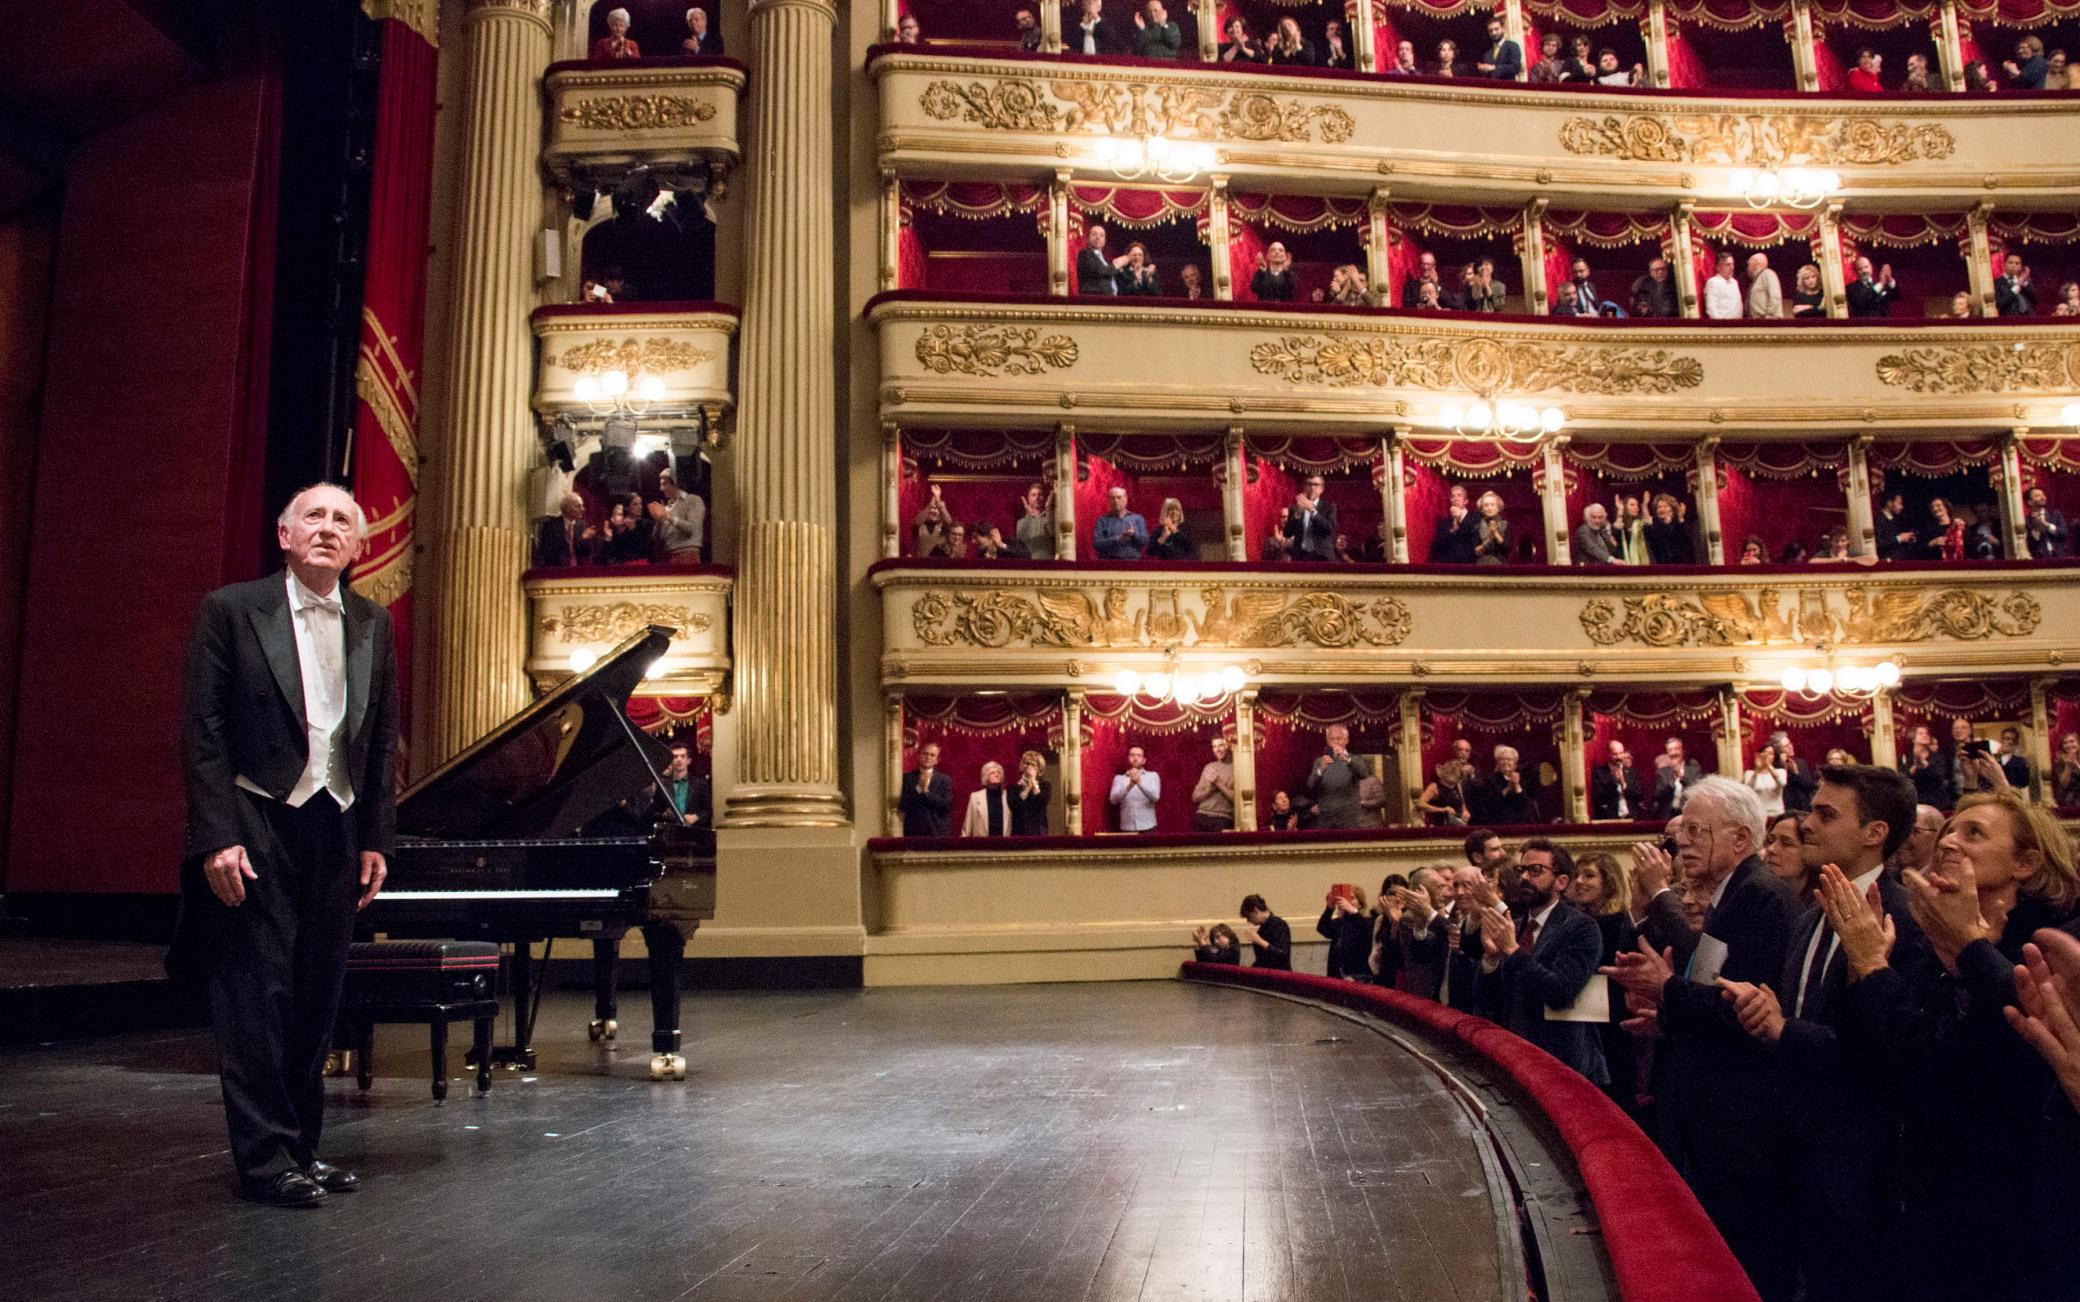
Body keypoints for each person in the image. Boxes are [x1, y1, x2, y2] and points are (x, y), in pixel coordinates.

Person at [172, 484, 398, 1207]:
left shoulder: (373, 621)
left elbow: (379, 745)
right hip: (257, 819)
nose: (328, 528)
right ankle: (266, 1161)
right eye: (315, 517)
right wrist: (217, 836)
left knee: (314, 996)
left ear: (359, 544)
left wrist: (374, 839)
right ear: (285, 533)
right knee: (256, 998)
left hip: (335, 823)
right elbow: (202, 733)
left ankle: (301, 1148)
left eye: (343, 520)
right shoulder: (232, 610)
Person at [1829, 788, 2080, 1302]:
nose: (1948, 841)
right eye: (1948, 829)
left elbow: (1963, 1075)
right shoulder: (1926, 941)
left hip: (2013, 1216)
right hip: (1925, 1203)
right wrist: (1866, 965)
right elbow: (1889, 1061)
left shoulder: (2049, 944)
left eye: (1974, 833)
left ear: (2026, 864)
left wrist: (1880, 967)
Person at [1718, 765, 1927, 1302]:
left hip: (1863, 1172)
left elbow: (1886, 1052)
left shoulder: (1902, 917)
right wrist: (1771, 1015)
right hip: (1796, 1151)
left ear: (1874, 833)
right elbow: (1803, 1016)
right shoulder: (1812, 916)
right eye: (1811, 810)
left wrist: (1786, 1029)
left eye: (1825, 814)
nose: (1807, 823)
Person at [1602, 778, 1802, 1302]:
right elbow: (1706, 989)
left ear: (1740, 839)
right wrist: (1667, 1011)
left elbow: (1734, 1003)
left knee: (1748, 1260)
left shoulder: (1757, 894)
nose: (1682, 843)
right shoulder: (1733, 893)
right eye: (1682, 830)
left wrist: (1666, 988)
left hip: (1742, 1113)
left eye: (1695, 831)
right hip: (1715, 1107)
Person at [1475, 839, 1611, 1083]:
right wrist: (1491, 959)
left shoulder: (1581, 927)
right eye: (1521, 870)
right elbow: (1485, 999)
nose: (1525, 877)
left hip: (1563, 1063)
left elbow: (1560, 992)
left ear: (1561, 881)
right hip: (1515, 1056)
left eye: (1535, 871)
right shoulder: (1514, 927)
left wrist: (1513, 950)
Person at [1569, 849, 1640, 1108]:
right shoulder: (1574, 920)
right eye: (1577, 875)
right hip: (1580, 1016)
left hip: (1611, 1018)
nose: (1579, 881)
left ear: (1608, 882)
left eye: (1589, 876)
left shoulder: (1619, 923)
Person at [1307, 725, 1372, 830]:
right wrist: (1321, 770)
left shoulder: (1355, 759)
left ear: (1346, 740)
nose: (1335, 742)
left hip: (1349, 818)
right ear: (1327, 741)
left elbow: (1364, 773)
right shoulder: (1320, 761)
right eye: (1332, 739)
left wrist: (1347, 760)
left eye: (1339, 738)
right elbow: (1310, 784)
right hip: (1326, 818)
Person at [1318, 885, 1375, 981]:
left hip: (1358, 977)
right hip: (1337, 976)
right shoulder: (1339, 923)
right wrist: (1330, 907)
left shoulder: (1367, 922)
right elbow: (1322, 928)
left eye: (1351, 898)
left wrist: (1352, 911)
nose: (1346, 902)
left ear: (1360, 904)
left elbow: (1367, 930)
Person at [899, 742, 953, 836]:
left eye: (932, 755)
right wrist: (919, 788)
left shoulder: (944, 779)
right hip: (913, 831)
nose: (928, 758)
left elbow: (947, 805)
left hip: (938, 831)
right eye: (925, 754)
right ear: (919, 756)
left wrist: (927, 793)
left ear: (937, 760)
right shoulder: (907, 778)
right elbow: (903, 805)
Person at [533, 491, 599, 568]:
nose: (583, 509)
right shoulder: (551, 525)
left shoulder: (582, 525)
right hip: (556, 570)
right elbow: (545, 552)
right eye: (578, 506)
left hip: (577, 570)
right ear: (567, 509)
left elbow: (586, 553)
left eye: (582, 506)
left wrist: (585, 539)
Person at [1282, 474, 1338, 562]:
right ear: (1304, 487)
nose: (1312, 488)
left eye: (1316, 485)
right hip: (1300, 557)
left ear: (1322, 489)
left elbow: (1329, 529)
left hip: (1323, 557)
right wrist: (1297, 514)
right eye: (1309, 484)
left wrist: (1312, 510)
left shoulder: (1329, 507)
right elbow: (1287, 533)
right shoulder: (1294, 508)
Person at [652, 469, 704, 562]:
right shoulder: (667, 507)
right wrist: (659, 520)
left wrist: (668, 517)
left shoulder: (693, 500)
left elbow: (692, 529)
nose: (661, 489)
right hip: (669, 556)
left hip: (688, 554)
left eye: (664, 484)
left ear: (675, 483)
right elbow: (659, 539)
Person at [652, 742, 709, 827]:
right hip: (670, 831)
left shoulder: (700, 784)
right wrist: (663, 815)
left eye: (682, 756)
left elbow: (708, 810)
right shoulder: (662, 785)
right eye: (675, 757)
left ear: (688, 761)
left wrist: (696, 817)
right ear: (670, 761)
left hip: (694, 832)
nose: (679, 759)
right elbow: (654, 812)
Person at [1760, 809, 1812, 900]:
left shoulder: (1822, 909)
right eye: (1770, 841)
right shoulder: (1753, 895)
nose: (1771, 849)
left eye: (1786, 843)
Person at [1190, 735, 1236, 833]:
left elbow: (1237, 800)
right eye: (1214, 746)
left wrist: (1218, 783)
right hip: (1202, 815)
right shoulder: (1209, 767)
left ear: (1228, 745)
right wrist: (1209, 790)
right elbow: (1195, 797)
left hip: (1223, 817)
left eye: (1221, 745)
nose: (1217, 750)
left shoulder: (1236, 767)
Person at [1483, 744, 1540, 824]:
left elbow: (1524, 805)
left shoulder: (1522, 780)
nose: (1506, 762)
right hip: (1498, 821)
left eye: (1509, 759)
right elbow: (1491, 804)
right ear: (1497, 763)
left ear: (1515, 765)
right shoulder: (1490, 780)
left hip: (1520, 823)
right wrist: (1508, 788)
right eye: (1502, 759)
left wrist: (1517, 785)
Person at [1109, 745, 1160, 832]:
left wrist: (1139, 783)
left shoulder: (1153, 776)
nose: (1135, 758)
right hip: (1126, 827)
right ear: (1128, 758)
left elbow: (1155, 797)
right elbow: (1113, 801)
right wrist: (1129, 786)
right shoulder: (1118, 778)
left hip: (1148, 827)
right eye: (1132, 755)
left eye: (1139, 755)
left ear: (1144, 760)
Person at [1591, 739, 1644, 820]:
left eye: (1621, 753)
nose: (1619, 757)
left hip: (1631, 818)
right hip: (1609, 819)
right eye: (1615, 754)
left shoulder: (1632, 773)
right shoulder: (1599, 773)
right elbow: (1599, 798)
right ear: (1607, 754)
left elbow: (1639, 796)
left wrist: (1623, 784)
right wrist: (1614, 783)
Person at [958, 761, 1014, 837]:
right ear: (985, 776)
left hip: (1005, 845)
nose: (996, 774)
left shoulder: (1009, 795)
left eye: (999, 773)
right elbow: (967, 826)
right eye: (992, 773)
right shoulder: (975, 797)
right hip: (981, 846)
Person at [1092, 486, 1148, 559]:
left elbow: (1145, 541)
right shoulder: (1102, 520)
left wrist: (1133, 534)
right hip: (1109, 565)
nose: (1116, 501)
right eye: (1112, 498)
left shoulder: (1138, 518)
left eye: (1119, 497)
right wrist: (1117, 539)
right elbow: (1097, 544)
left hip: (1133, 564)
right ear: (1108, 501)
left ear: (1125, 499)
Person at [1429, 483, 1479, 563]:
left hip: (1469, 565)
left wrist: (1460, 518)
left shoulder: (1475, 517)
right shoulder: (1444, 522)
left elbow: (1474, 536)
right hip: (1449, 565)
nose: (1455, 498)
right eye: (1453, 496)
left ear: (1466, 501)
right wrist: (1451, 531)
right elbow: (1437, 545)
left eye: (1459, 495)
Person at [1653, 737, 1702, 817]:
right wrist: (1672, 781)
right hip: (1668, 816)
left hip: (1688, 814)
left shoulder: (1694, 770)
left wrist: (1682, 777)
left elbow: (1697, 792)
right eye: (1670, 750)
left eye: (1676, 749)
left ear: (1683, 751)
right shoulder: (1662, 772)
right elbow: (1658, 796)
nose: (1673, 753)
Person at [1641, 492, 1695, 565]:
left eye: (1665, 506)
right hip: (1662, 566)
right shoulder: (1655, 526)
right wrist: (1644, 506)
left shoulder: (1679, 524)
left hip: (1682, 565)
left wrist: (1680, 519)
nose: (1662, 509)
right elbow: (1649, 532)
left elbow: (1687, 542)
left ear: (1672, 508)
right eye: (1659, 507)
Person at [1240, 895, 1292, 970]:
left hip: (1280, 976)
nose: (1248, 921)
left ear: (1255, 911)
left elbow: (1283, 956)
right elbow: (1261, 961)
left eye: (1249, 917)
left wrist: (1260, 941)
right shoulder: (1261, 930)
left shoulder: (1279, 924)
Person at [1418, 759, 1471, 826]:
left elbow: (1461, 802)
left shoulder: (1457, 785)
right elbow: (1420, 804)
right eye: (1450, 782)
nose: (1452, 784)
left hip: (1458, 823)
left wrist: (1465, 811)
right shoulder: (1434, 786)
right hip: (1441, 824)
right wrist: (1442, 809)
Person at [1010, 751, 1050, 836]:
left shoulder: (1045, 786)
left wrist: (1033, 783)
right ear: (1022, 766)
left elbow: (1042, 803)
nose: (1029, 767)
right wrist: (1027, 788)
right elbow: (1015, 807)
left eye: (1033, 765)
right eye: (1027, 764)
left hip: (1039, 832)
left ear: (1039, 769)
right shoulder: (1013, 787)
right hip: (1019, 832)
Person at [1745, 741, 1789, 817]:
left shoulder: (1781, 771)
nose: (1767, 756)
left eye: (1770, 754)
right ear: (1759, 755)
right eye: (1765, 753)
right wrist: (1757, 770)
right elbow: (1748, 789)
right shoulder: (1749, 773)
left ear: (1774, 757)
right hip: (1758, 814)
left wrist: (1768, 765)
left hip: (1776, 813)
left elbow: (1782, 783)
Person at [1012, 482, 1054, 561]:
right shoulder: (1021, 522)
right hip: (1029, 563)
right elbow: (1021, 540)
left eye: (1040, 494)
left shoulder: (1052, 518)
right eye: (1033, 495)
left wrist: (1048, 510)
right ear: (1029, 499)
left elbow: (1053, 532)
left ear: (1044, 497)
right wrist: (1029, 515)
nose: (1037, 497)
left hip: (1050, 561)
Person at [2024, 484, 2069, 558]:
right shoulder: (2028, 520)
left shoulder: (2055, 515)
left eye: (2043, 495)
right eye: (2038, 496)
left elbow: (2064, 534)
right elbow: (2031, 544)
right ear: (2030, 502)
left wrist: (2046, 525)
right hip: (2041, 558)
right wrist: (2036, 529)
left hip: (2060, 556)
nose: (2043, 498)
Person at [1076, 223, 1120, 297]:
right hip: (1093, 298)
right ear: (1088, 238)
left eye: (1101, 235)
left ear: (1105, 240)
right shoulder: (1085, 253)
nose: (1098, 237)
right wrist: (1116, 266)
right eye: (1094, 234)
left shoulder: (1104, 259)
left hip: (1109, 298)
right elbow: (1099, 270)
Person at [1143, 497, 1192, 561]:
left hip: (1181, 567)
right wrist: (1163, 537)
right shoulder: (1158, 531)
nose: (1174, 512)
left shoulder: (1186, 530)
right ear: (1165, 512)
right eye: (1171, 510)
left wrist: (1174, 530)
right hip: (1163, 568)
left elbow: (1191, 549)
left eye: (1177, 510)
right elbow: (1150, 552)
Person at [1873, 490, 1917, 560]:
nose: (1901, 507)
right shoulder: (1879, 519)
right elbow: (1879, 543)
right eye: (1899, 503)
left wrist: (1907, 538)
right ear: (1889, 503)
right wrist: (1900, 538)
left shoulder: (1896, 519)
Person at [1472, 490, 1510, 565]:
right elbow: (1476, 551)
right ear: (1482, 509)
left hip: (1500, 565)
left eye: (1492, 505)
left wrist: (1496, 533)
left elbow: (1507, 548)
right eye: (1486, 505)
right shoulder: (1477, 526)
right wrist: (1488, 540)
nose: (1489, 508)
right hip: (1482, 564)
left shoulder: (1505, 524)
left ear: (1498, 507)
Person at [1995, 252, 2037, 318]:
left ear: (2021, 267)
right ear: (2004, 265)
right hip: (2010, 320)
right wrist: (2018, 285)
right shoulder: (1998, 282)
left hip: (2029, 318)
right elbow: (2000, 303)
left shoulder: (2025, 280)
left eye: (2017, 263)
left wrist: (2024, 282)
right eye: (2010, 263)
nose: (2014, 265)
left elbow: (2035, 300)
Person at [1703, 252, 1743, 320]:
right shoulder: (1713, 282)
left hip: (1737, 325)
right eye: (1728, 265)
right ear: (1718, 267)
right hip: (1723, 325)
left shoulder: (1734, 282)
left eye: (1733, 264)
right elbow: (1711, 308)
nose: (1732, 267)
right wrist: (1720, 325)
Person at [1926, 495, 1965, 561]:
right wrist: (1932, 543)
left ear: (1946, 507)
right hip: (1938, 567)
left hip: (1960, 565)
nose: (1935, 509)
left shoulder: (1958, 524)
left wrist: (1963, 530)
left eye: (1938, 505)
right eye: (1932, 507)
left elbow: (1971, 546)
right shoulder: (1929, 528)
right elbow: (1921, 549)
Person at [1745, 252, 1783, 320]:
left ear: (1755, 264)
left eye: (1749, 265)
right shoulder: (1758, 278)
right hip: (1757, 321)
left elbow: (1775, 296)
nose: (1747, 268)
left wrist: (1769, 316)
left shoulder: (1768, 273)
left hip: (1767, 322)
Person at [2055, 732, 2080, 807]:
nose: (2069, 745)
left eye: (2072, 741)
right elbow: (2063, 786)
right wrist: (2068, 767)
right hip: (2071, 798)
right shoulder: (2060, 761)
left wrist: (2076, 765)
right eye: (2065, 743)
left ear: (2078, 743)